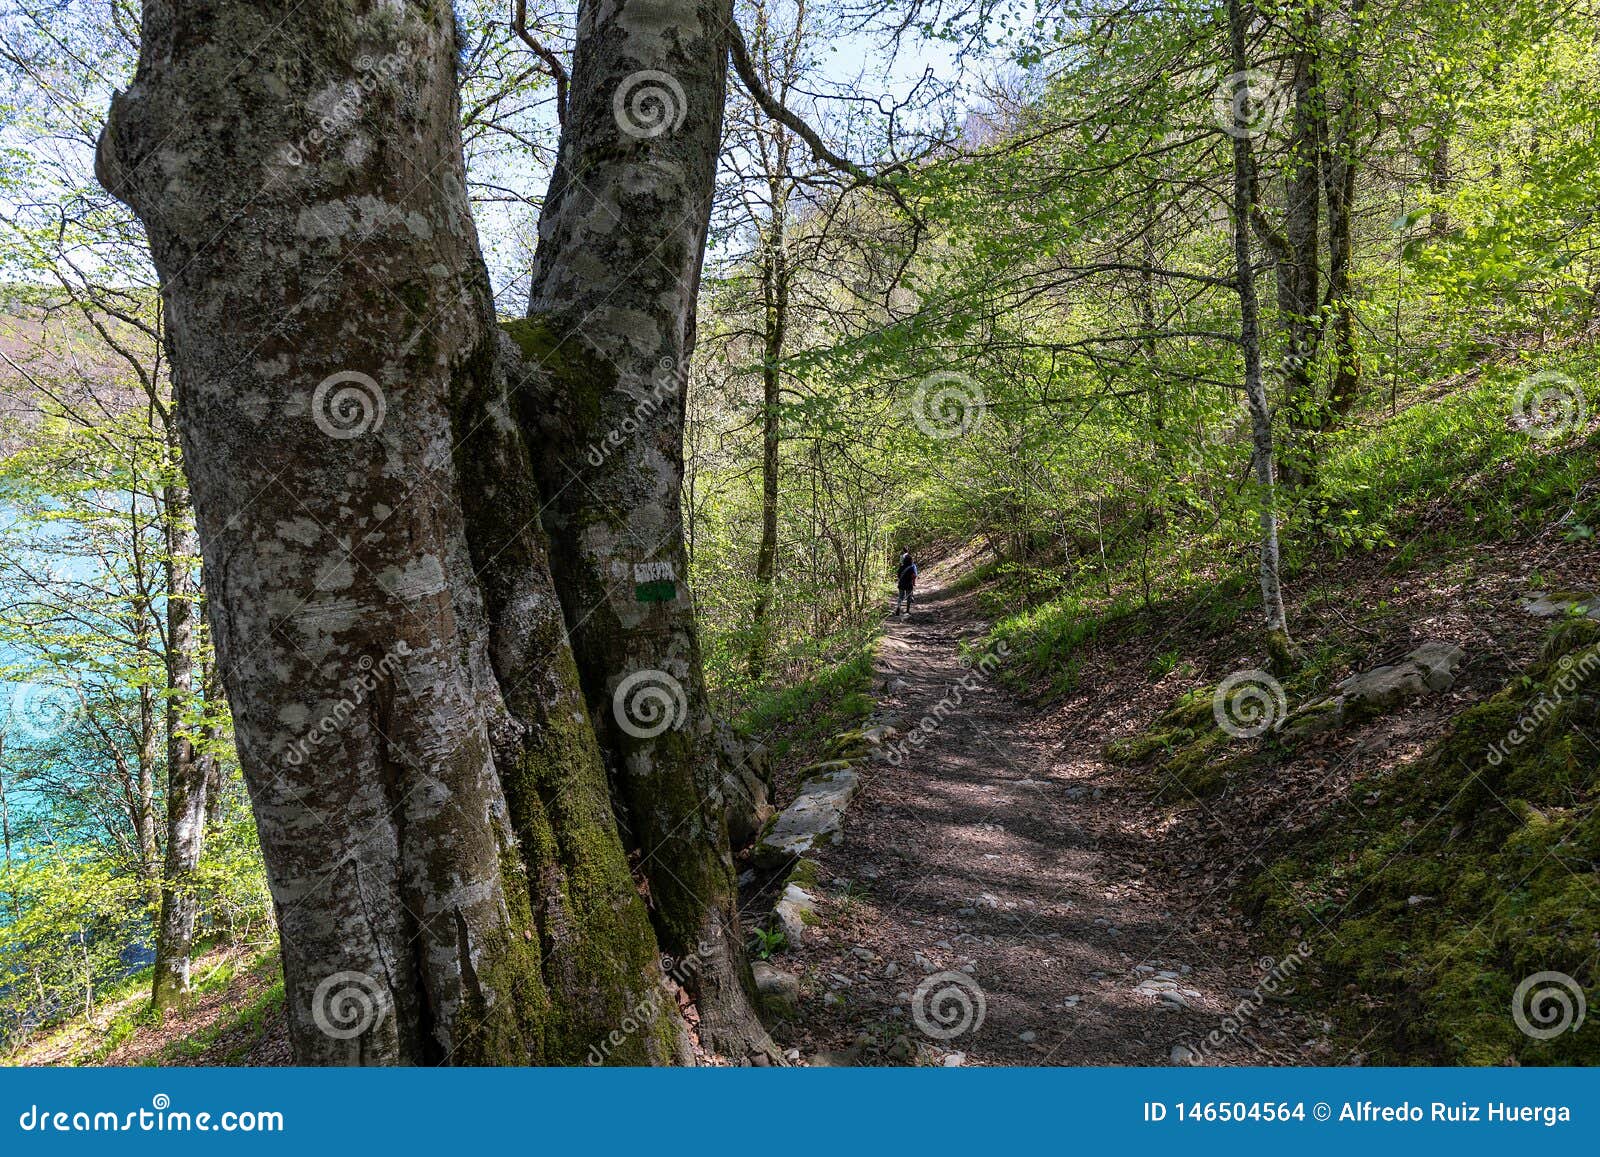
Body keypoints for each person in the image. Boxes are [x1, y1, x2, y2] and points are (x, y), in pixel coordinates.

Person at [894, 550, 918, 615]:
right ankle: (907, 610)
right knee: (909, 597)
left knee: (900, 597)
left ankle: (898, 607)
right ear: (911, 560)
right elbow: (914, 576)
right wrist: (913, 583)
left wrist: (900, 580)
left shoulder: (901, 567)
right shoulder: (912, 568)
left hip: (901, 584)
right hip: (908, 584)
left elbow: (898, 575)